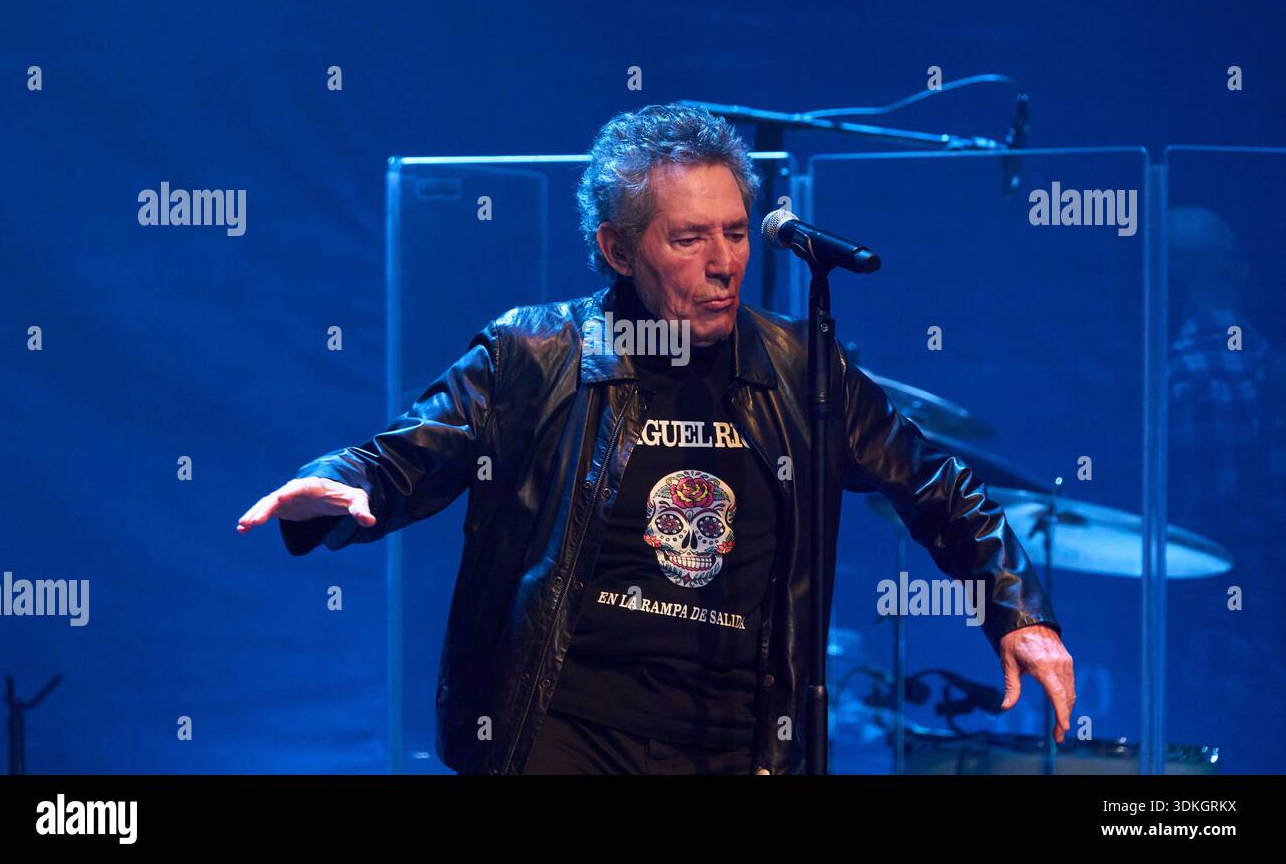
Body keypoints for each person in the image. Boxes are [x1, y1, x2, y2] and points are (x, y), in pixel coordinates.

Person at [236, 103, 1074, 775]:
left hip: (739, 740)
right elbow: (405, 453)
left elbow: (936, 485)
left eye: (737, 232)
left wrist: (1017, 610)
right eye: (690, 238)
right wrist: (339, 485)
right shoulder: (535, 355)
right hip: (563, 733)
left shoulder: (799, 368)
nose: (725, 262)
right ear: (616, 248)